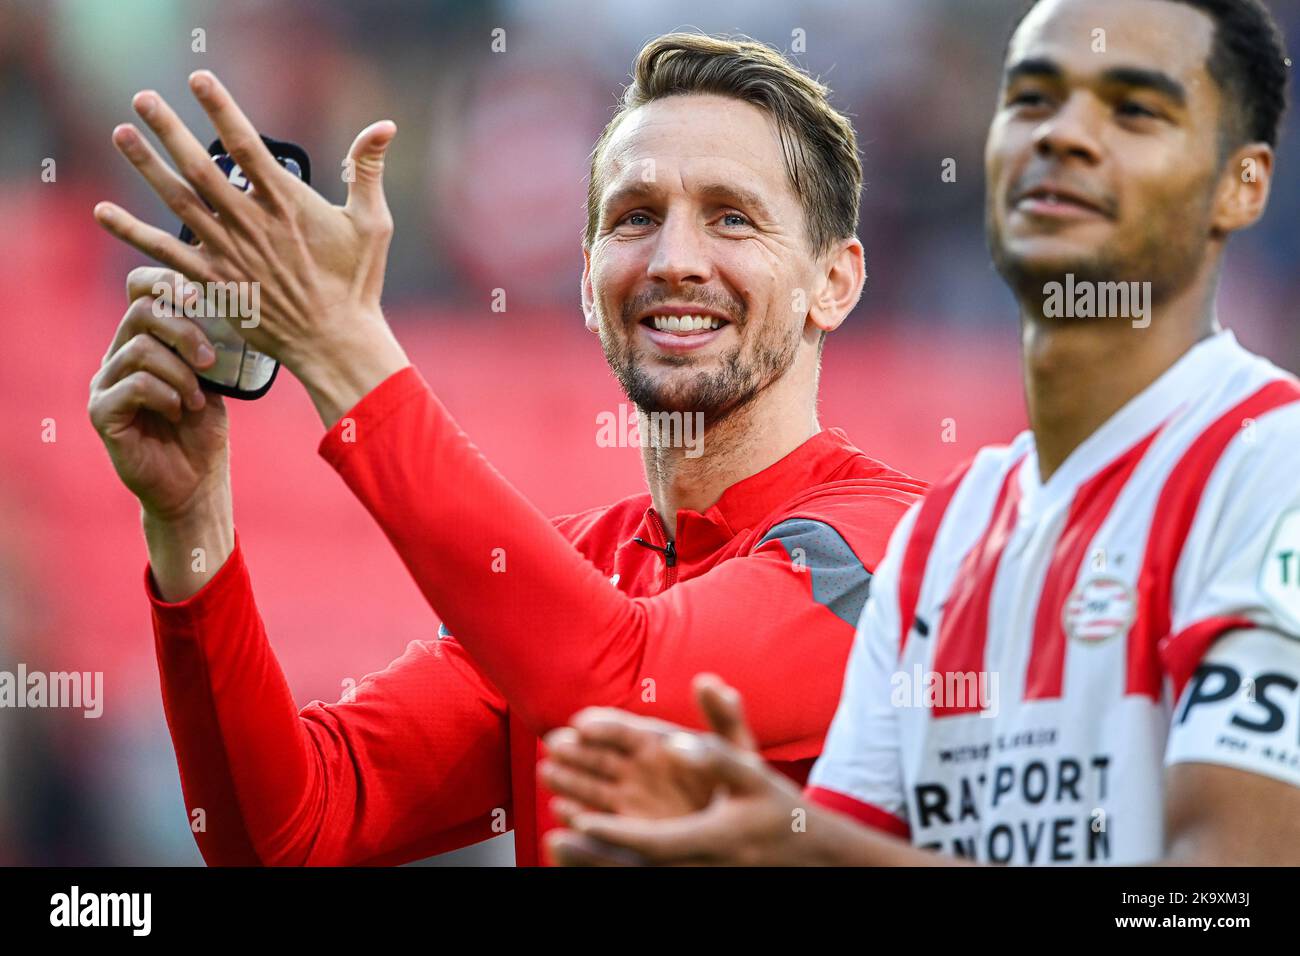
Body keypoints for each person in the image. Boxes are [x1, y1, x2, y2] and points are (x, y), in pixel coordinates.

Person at [86, 34, 925, 865]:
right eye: (636, 218)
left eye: (731, 218)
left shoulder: (899, 545)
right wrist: (190, 515)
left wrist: (345, 347)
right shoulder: (569, 584)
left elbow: (622, 686)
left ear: (835, 282)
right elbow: (284, 835)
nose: (674, 261)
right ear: (590, 280)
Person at [540, 0, 1300, 866]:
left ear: (1243, 183)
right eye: (1033, 99)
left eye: (1135, 109)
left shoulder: (1271, 464)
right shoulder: (949, 535)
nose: (1065, 135)